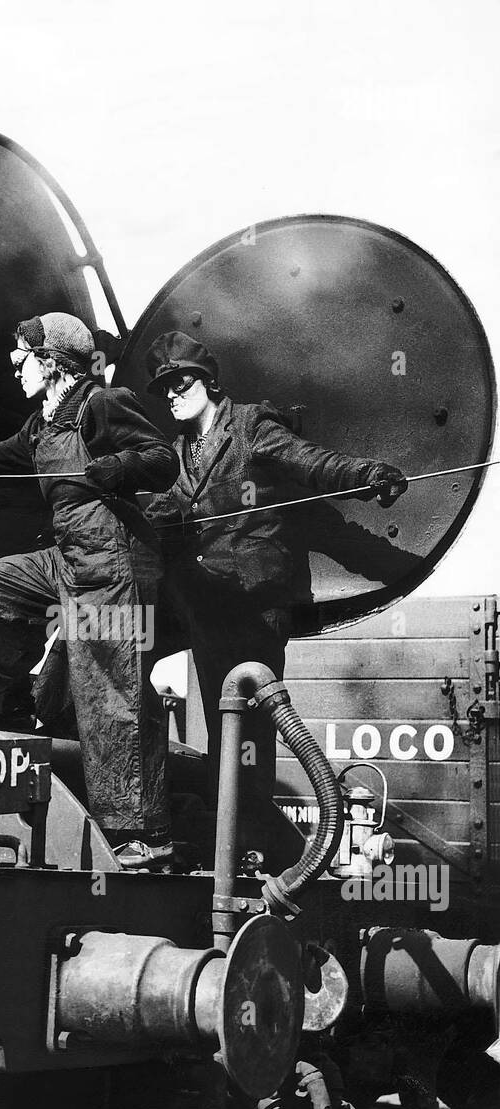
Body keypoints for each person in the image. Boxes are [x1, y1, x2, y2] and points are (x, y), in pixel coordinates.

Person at [0, 312, 178, 869]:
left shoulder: (101, 404)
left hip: (119, 568)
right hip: (68, 561)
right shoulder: (43, 423)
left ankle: (139, 832)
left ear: (53, 360)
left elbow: (163, 459)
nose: (14, 367)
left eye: (22, 357)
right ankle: (5, 721)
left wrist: (117, 467)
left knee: (110, 685)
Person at [143, 329, 408, 841]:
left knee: (244, 730)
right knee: (131, 661)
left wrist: (367, 475)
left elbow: (312, 464)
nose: (172, 395)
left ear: (208, 383)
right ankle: (211, 827)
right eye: (165, 389)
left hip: (252, 603)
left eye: (181, 383)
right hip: (202, 602)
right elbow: (162, 514)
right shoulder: (175, 454)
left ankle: (248, 843)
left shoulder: (250, 426)